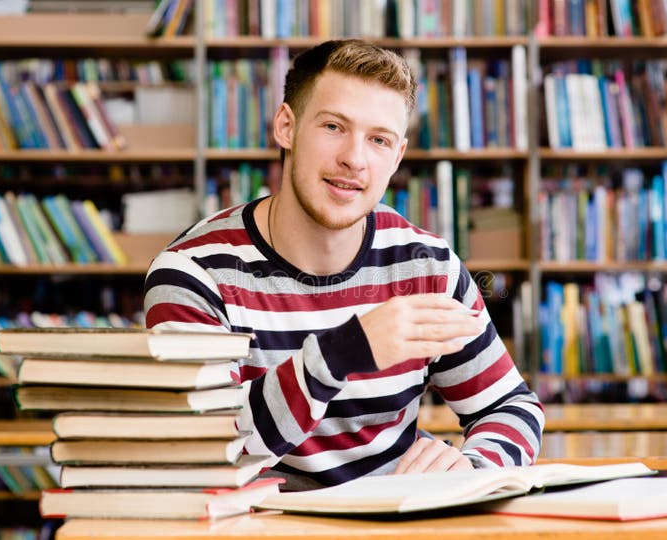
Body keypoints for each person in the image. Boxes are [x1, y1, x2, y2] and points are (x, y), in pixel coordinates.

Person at [144, 39, 544, 490]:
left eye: (379, 140)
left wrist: (474, 467)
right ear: (286, 127)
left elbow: (510, 406)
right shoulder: (194, 274)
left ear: (397, 156)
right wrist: (341, 354)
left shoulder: (427, 267)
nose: (354, 159)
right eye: (334, 127)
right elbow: (199, 445)